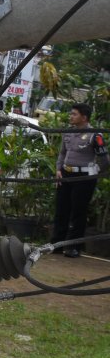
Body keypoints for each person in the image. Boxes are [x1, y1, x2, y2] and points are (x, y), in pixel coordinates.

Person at [53, 102, 108, 258]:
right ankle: (56, 243)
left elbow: (104, 160)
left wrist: (94, 171)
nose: (71, 116)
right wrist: (58, 169)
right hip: (65, 174)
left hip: (84, 177)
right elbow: (62, 153)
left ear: (84, 117)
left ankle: (73, 247)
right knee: (61, 210)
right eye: (71, 114)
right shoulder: (68, 132)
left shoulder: (95, 135)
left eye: (74, 114)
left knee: (78, 212)